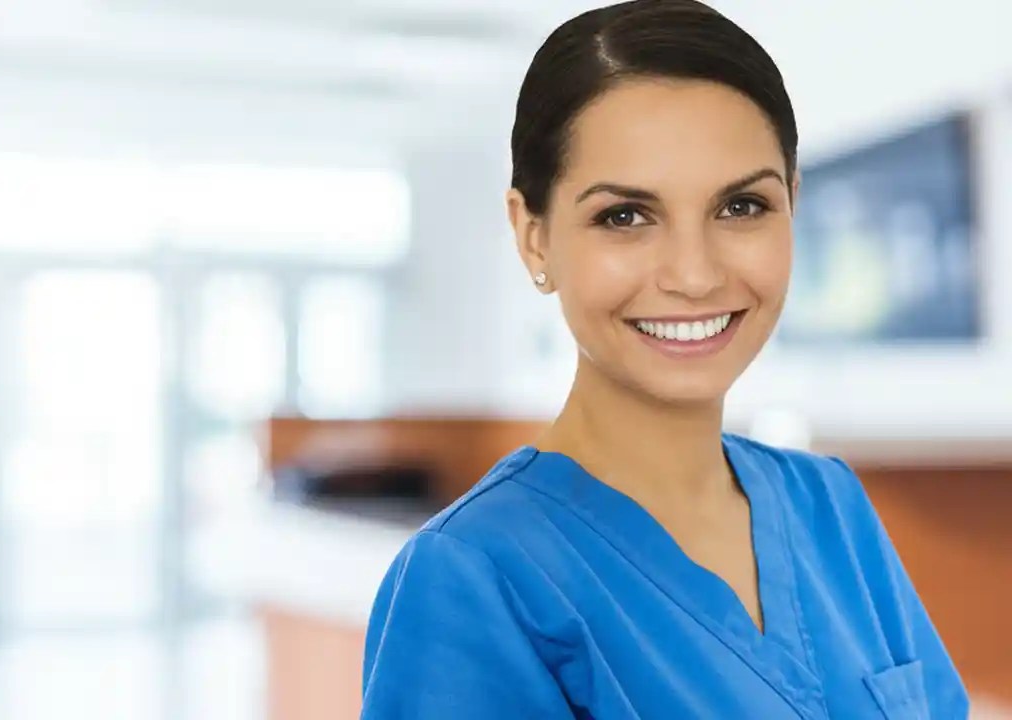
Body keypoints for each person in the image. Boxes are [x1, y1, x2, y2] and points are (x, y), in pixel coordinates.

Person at [359, 1, 970, 717]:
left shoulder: (829, 506)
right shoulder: (473, 577)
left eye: (741, 207)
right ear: (534, 237)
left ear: (792, 206)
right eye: (625, 216)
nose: (695, 273)